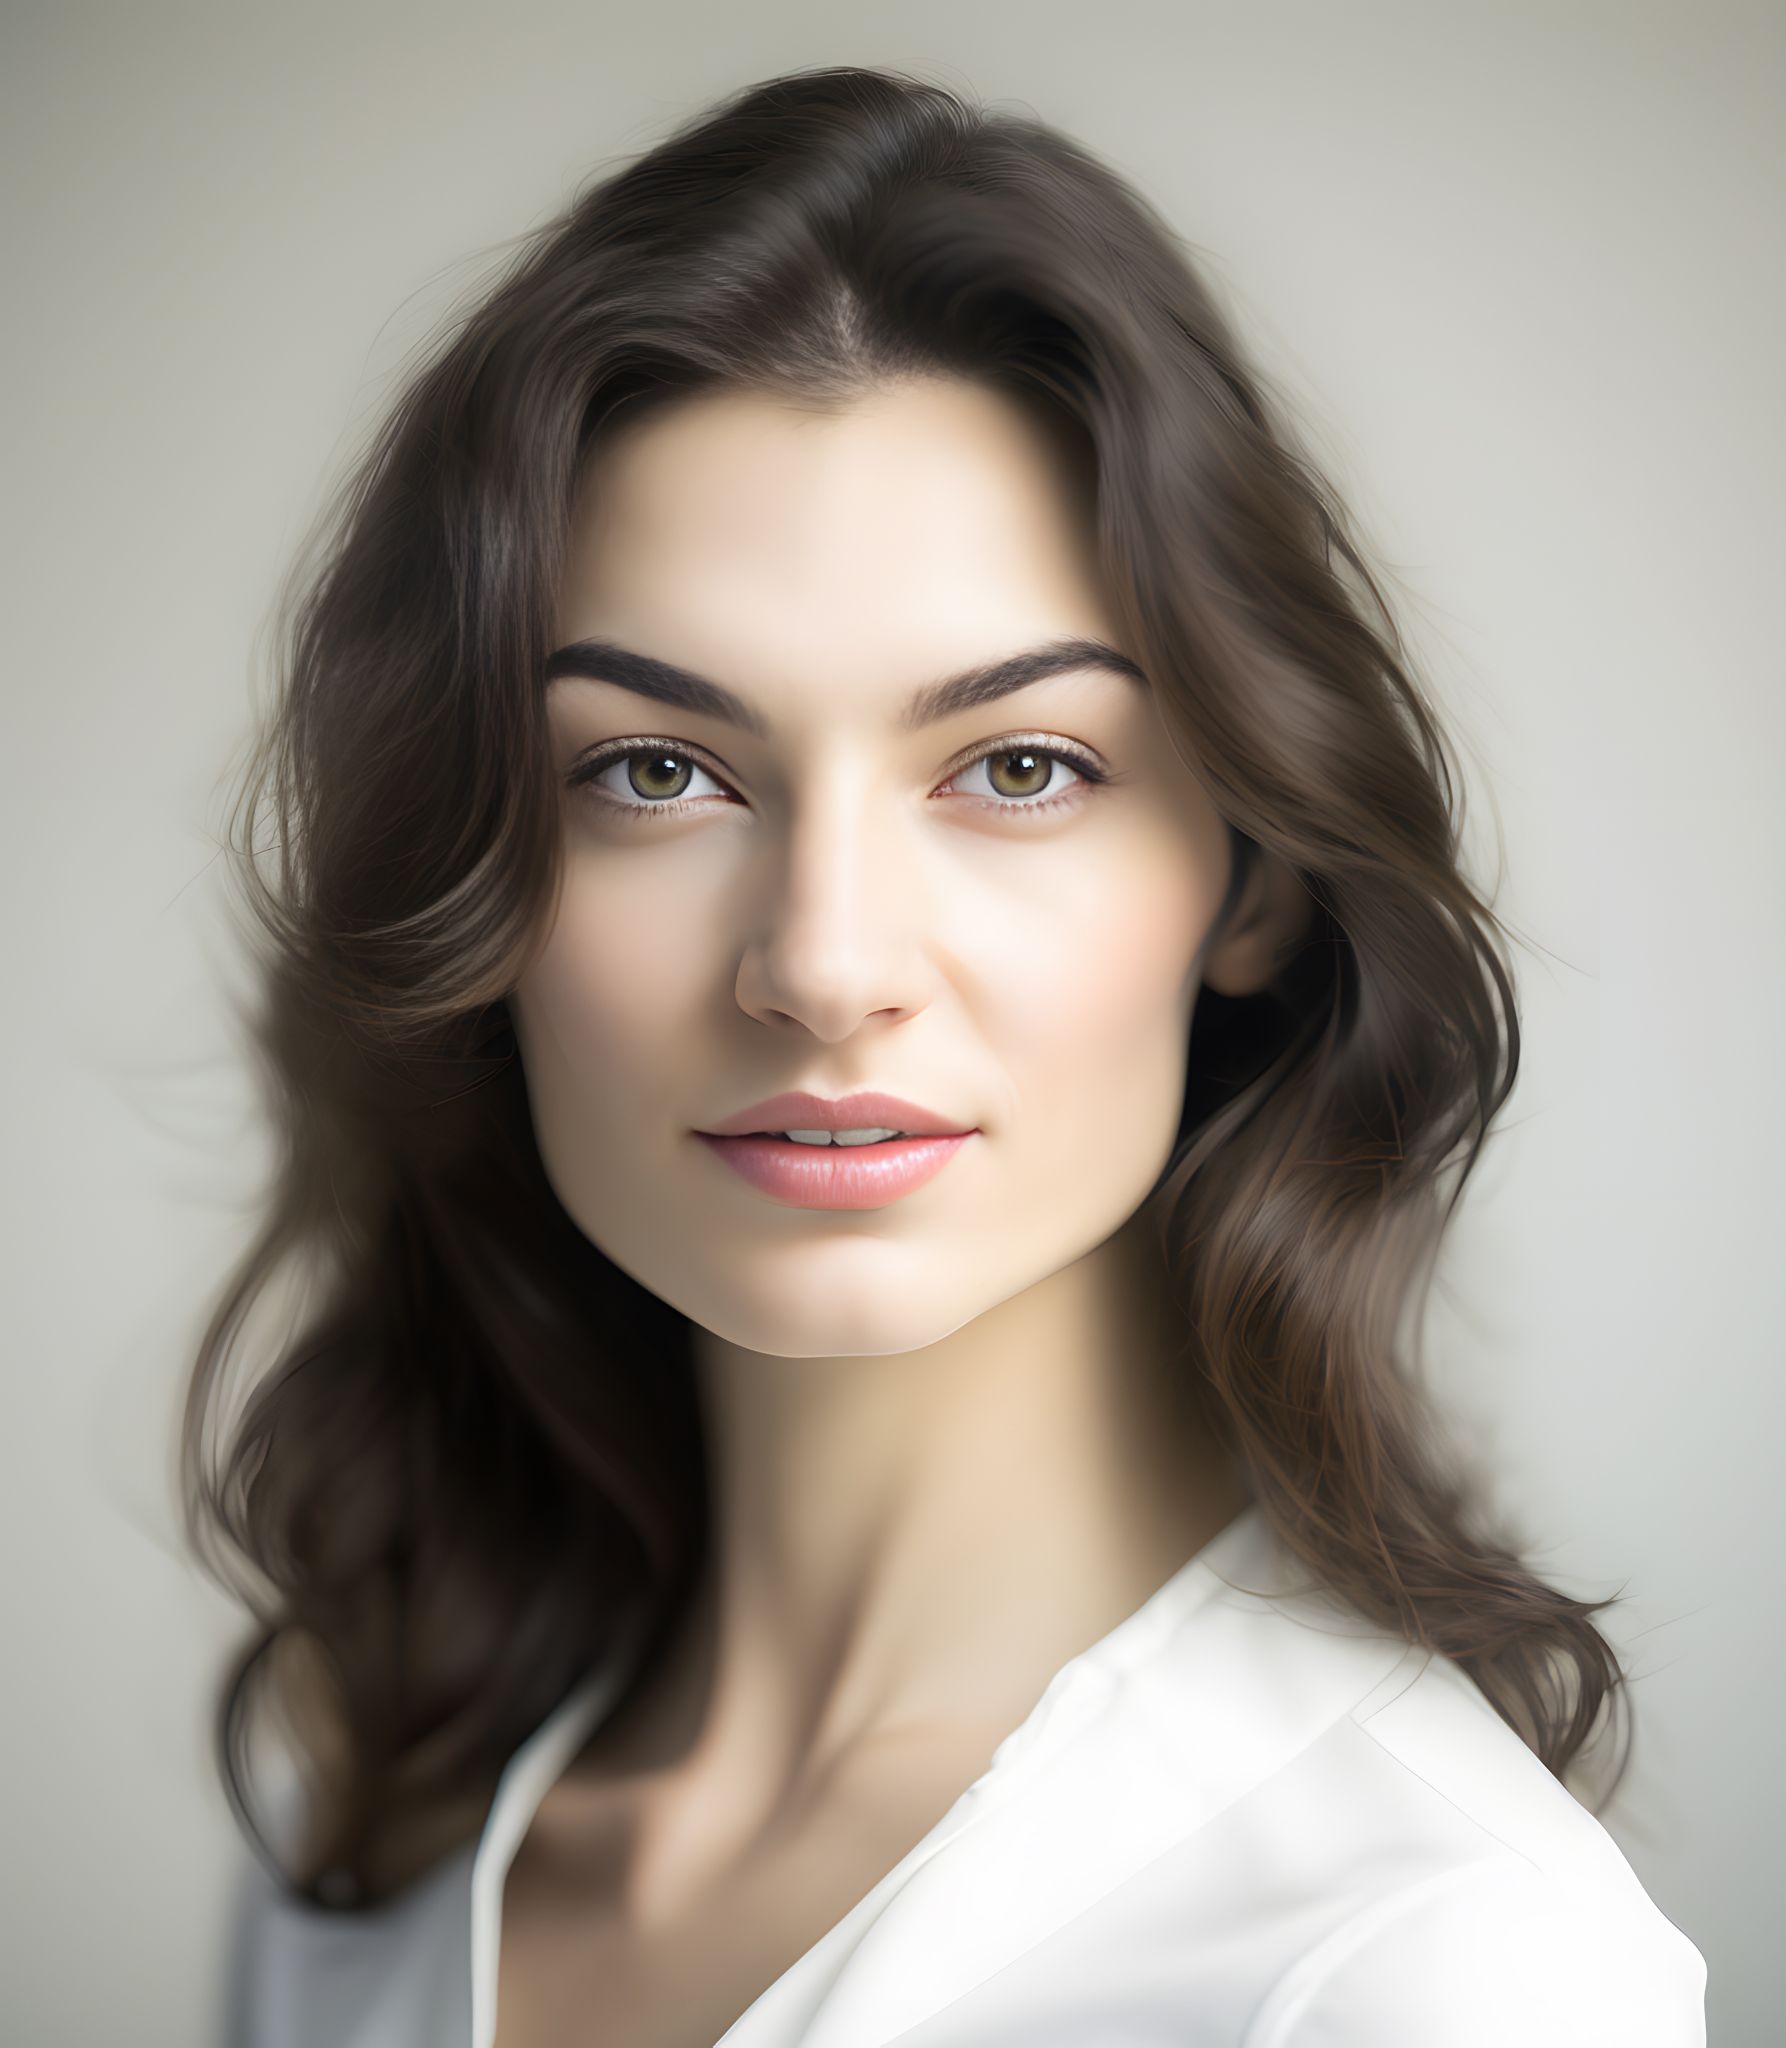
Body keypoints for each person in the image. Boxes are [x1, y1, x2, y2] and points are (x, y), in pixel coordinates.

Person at [191, 63, 1709, 2048]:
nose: (824, 965)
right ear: (474, 873)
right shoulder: (363, 1831)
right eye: (655, 771)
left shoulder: (1429, 1963)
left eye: (1017, 766)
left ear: (1247, 875)